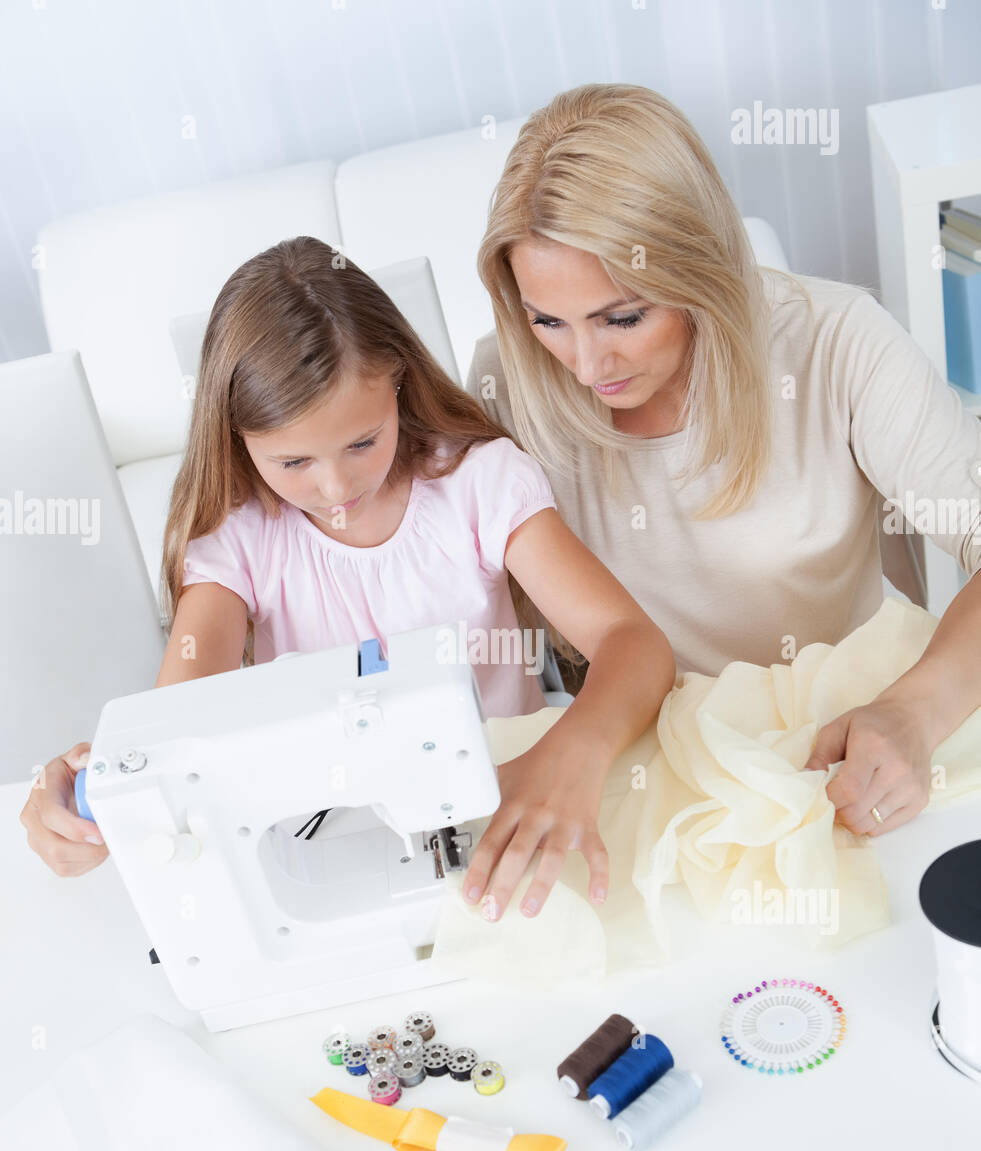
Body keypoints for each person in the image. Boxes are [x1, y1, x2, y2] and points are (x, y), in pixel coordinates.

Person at [20, 237, 675, 921]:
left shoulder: (478, 484)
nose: (336, 487)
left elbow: (632, 641)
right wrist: (88, 791)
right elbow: (176, 721)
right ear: (238, 439)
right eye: (293, 461)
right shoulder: (237, 539)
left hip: (505, 802)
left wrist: (567, 753)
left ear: (398, 382)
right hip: (331, 843)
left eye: (362, 442)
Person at [468, 82, 981, 841]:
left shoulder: (837, 342)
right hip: (652, 775)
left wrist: (914, 711)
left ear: (697, 267)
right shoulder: (501, 383)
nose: (584, 363)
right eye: (548, 320)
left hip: (846, 749)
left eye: (623, 317)